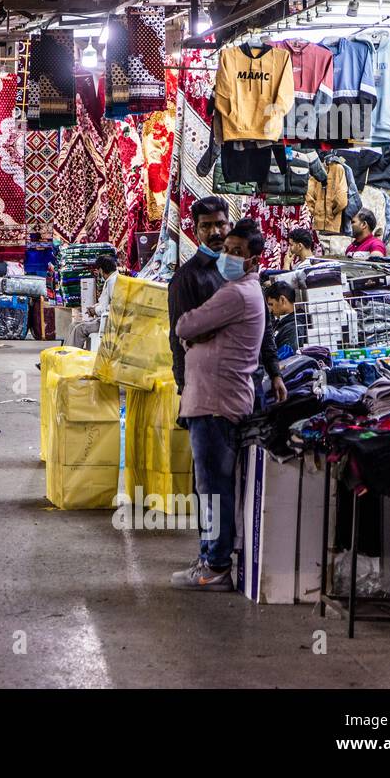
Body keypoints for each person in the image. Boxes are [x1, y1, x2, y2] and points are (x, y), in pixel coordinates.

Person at [171, 219, 268, 591]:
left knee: (213, 490)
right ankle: (210, 557)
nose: (227, 256)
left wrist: (195, 336)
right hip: (216, 401)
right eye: (226, 249)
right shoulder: (240, 291)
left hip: (216, 404)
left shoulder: (235, 294)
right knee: (212, 488)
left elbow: (185, 325)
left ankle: (215, 566)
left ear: (253, 260)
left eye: (236, 252)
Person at [168, 196, 287, 407]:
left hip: (252, 384)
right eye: (206, 226)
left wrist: (275, 372)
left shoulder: (244, 268)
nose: (214, 232)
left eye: (220, 224)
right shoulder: (186, 279)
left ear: (230, 227)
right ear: (195, 231)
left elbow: (264, 326)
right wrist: (185, 388)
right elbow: (178, 339)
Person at [264, 281, 303, 354]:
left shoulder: (292, 327)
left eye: (271, 304)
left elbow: (285, 357)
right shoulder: (282, 323)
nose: (270, 309)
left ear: (282, 300)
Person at [91, 255, 119, 320]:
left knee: (78, 327)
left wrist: (95, 310)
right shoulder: (111, 280)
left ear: (101, 270)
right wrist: (96, 307)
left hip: (109, 322)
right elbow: (106, 302)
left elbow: (113, 307)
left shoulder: (113, 282)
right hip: (106, 319)